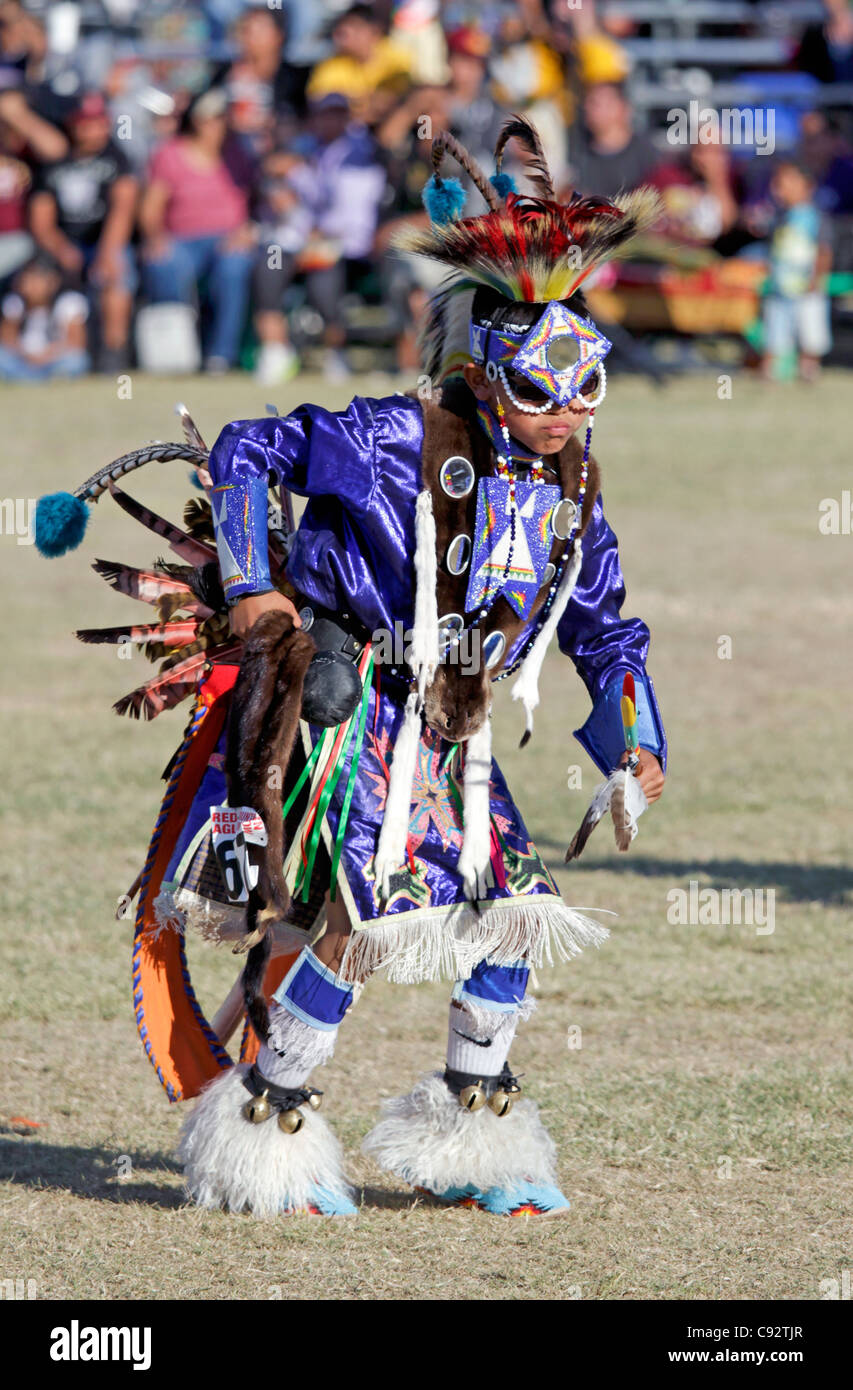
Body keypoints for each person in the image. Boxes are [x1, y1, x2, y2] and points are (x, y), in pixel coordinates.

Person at [36, 117, 667, 1220]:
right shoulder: (392, 434)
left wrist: (637, 743)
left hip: (454, 722)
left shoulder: (574, 492)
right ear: (489, 373)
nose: (565, 415)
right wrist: (250, 586)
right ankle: (264, 1125)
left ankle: (478, 1131)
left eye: (584, 393)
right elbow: (245, 448)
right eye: (540, 393)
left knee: (509, 907)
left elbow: (606, 630)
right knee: (364, 920)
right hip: (354, 702)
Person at [140, 86, 257, 375]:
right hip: (181, 240)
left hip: (227, 240)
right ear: (197, 120)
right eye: (211, 118)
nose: (218, 125)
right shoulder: (169, 154)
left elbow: (255, 204)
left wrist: (245, 232)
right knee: (165, 265)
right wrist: (155, 239)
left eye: (222, 118)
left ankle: (221, 354)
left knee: (235, 267)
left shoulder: (238, 156)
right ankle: (178, 353)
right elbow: (151, 208)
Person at [28, 91, 137, 371]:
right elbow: (42, 221)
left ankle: (114, 357)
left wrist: (107, 254)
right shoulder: (55, 163)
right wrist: (62, 250)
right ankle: (45, 355)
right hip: (61, 245)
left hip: (104, 242)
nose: (95, 130)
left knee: (116, 278)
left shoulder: (117, 159)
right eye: (87, 124)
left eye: (99, 122)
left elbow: (122, 211)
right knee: (35, 283)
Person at [761, 159, 833, 382]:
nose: (781, 188)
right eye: (778, 183)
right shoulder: (777, 217)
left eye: (788, 182)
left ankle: (808, 367)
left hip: (807, 287)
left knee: (811, 331)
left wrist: (817, 278)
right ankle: (770, 369)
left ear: (807, 185)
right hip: (780, 286)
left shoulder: (816, 217)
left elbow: (823, 250)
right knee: (775, 329)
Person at [0, 251, 89, 379]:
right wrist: (26, 355)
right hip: (23, 360)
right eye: (26, 279)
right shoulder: (15, 303)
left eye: (36, 280)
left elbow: (76, 343)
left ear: (53, 282)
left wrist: (47, 356)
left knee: (76, 361)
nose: (30, 286)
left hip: (53, 360)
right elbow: (7, 339)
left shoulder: (69, 302)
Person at [570, 82, 657, 199]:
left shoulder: (646, 153)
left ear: (623, 108)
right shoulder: (577, 153)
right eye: (588, 103)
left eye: (596, 103)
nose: (587, 108)